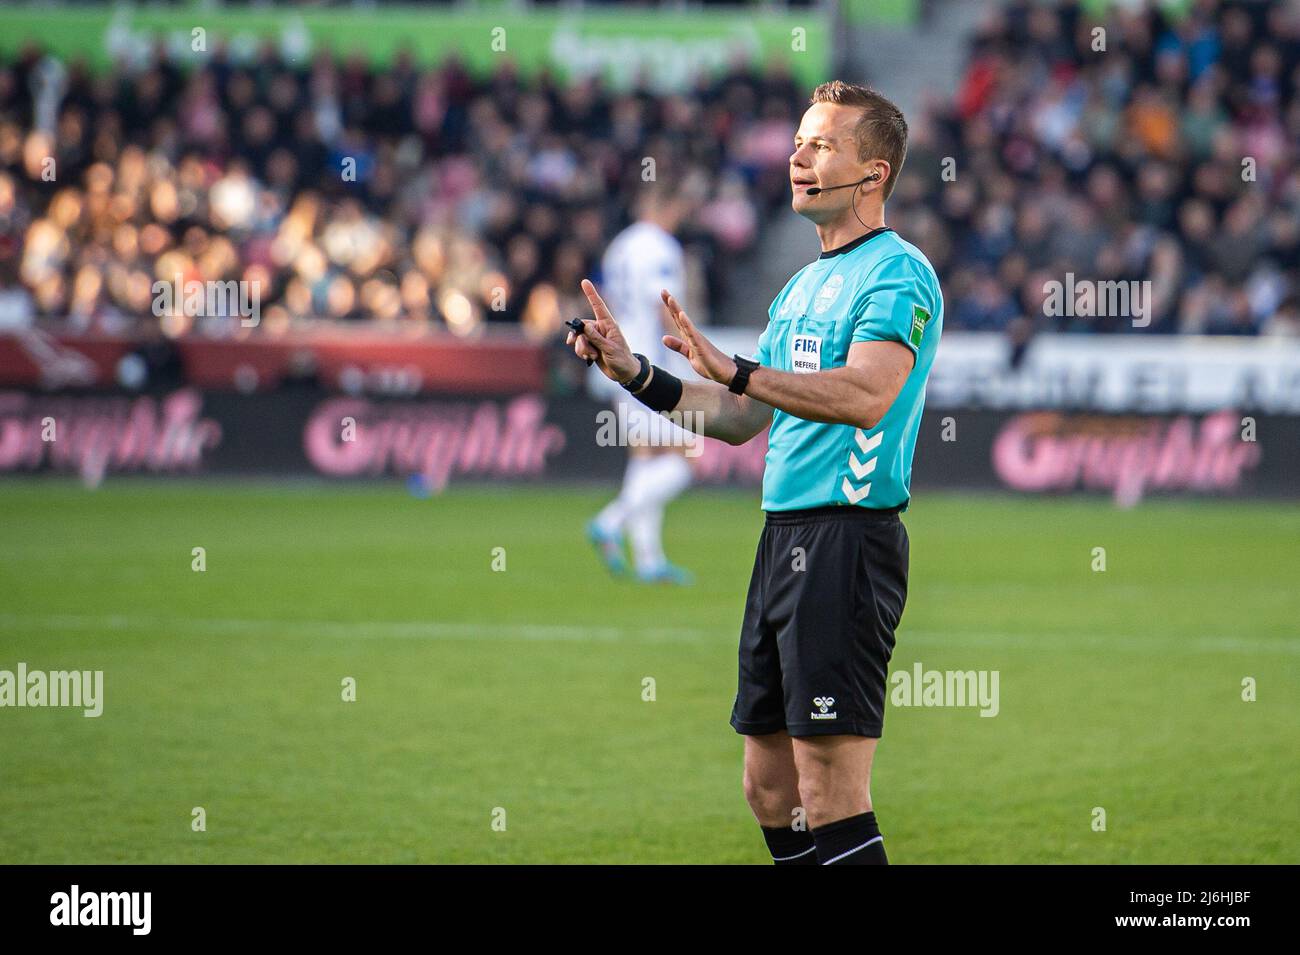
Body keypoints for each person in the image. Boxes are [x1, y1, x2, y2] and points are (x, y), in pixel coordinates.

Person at [567, 80, 943, 865]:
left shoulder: (897, 274)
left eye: (822, 144)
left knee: (831, 787)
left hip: (848, 539)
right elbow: (741, 419)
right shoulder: (801, 286)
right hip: (782, 543)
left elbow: (868, 395)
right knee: (769, 787)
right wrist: (633, 371)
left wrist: (740, 371)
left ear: (873, 174)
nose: (799, 157)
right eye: (799, 141)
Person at [585, 182, 696, 585]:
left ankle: (649, 560)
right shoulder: (661, 246)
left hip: (618, 359)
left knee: (645, 457)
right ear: (669, 205)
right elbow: (662, 304)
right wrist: (689, 351)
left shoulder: (621, 246)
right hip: (649, 365)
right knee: (687, 457)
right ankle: (609, 521)